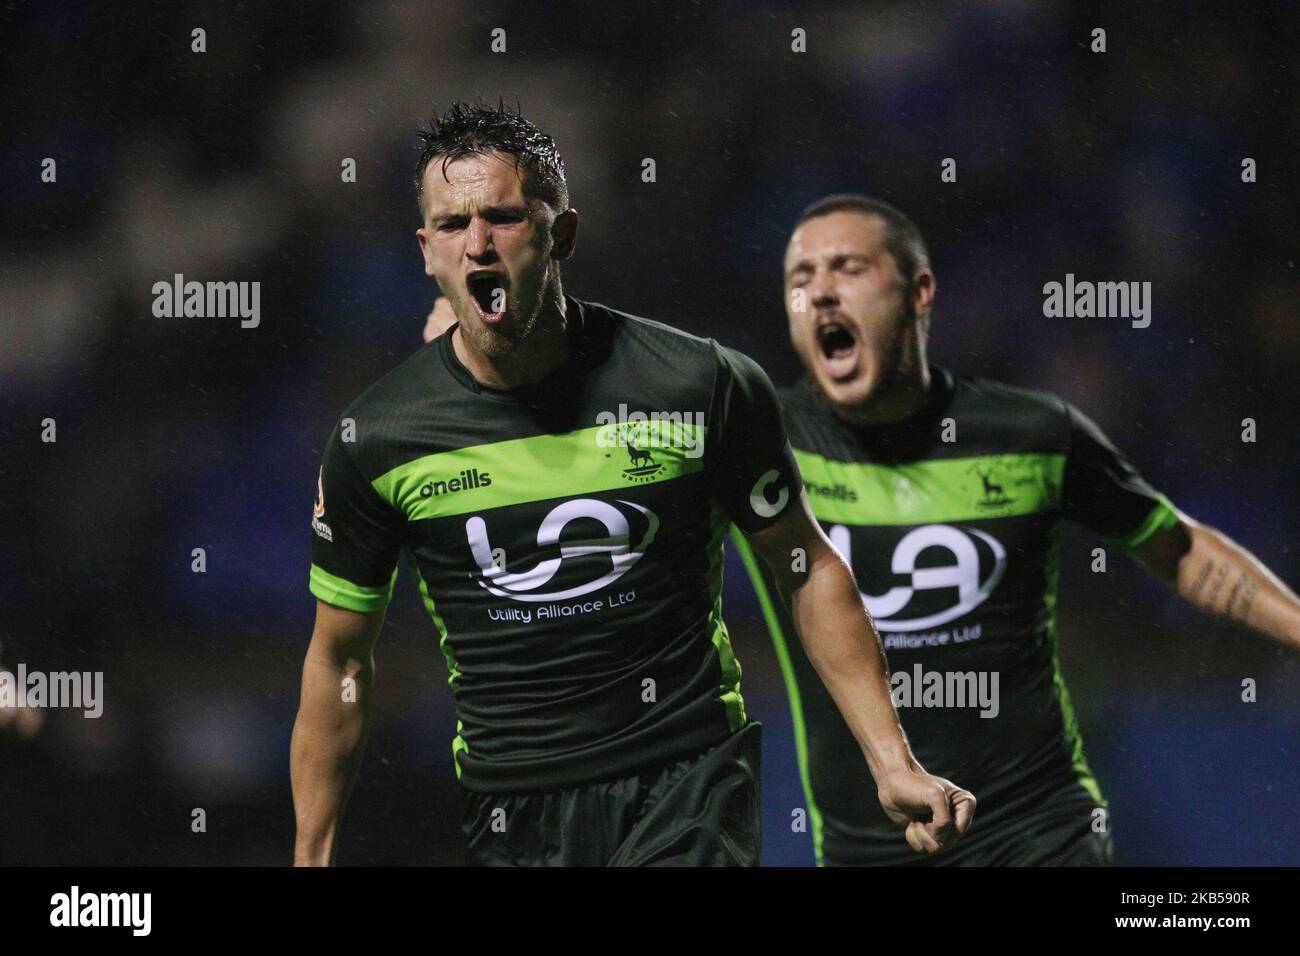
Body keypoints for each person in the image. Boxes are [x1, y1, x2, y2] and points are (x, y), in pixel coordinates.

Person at [291, 105, 974, 867]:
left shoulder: (697, 384)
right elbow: (338, 661)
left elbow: (803, 564)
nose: (478, 243)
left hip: (687, 783)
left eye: (504, 218)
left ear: (563, 234)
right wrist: (311, 857)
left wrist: (891, 760)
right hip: (514, 811)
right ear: (425, 250)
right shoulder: (378, 437)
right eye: (453, 226)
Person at [731, 194, 1300, 865]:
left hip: (1039, 829)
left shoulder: (1031, 433)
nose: (820, 292)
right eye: (801, 280)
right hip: (870, 846)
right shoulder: (760, 442)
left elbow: (1177, 549)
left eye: (847, 267)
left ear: (919, 292)